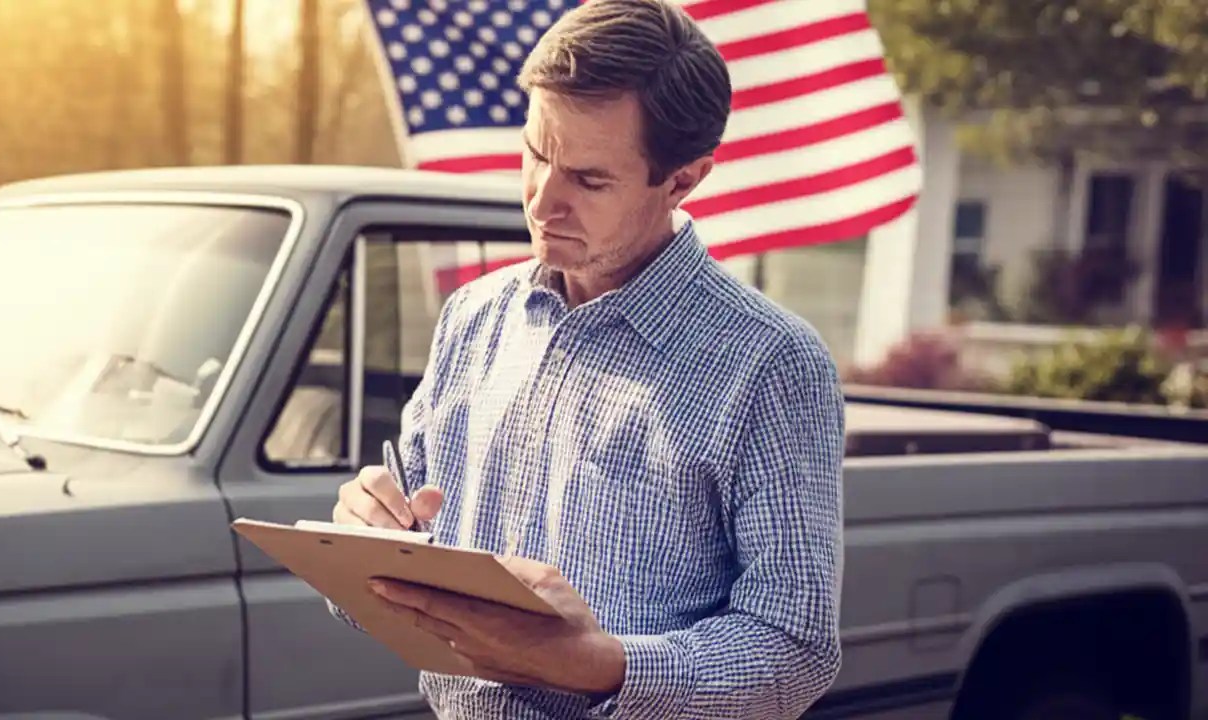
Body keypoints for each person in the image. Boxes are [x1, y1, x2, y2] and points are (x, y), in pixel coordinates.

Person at [330, 0, 845, 717]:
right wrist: (364, 543)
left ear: (683, 180)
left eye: (588, 179)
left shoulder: (771, 363)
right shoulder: (472, 320)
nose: (543, 202)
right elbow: (406, 566)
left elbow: (795, 647)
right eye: (537, 153)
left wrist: (600, 666)